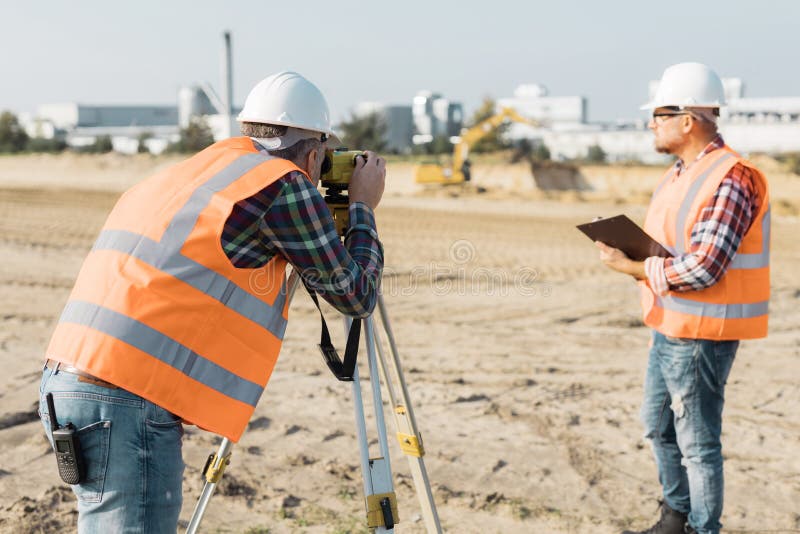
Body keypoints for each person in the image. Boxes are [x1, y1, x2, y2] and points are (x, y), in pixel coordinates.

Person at [38, 71, 386, 532]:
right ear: (315, 150)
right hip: (125, 402)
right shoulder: (282, 184)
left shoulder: (196, 171)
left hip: (68, 382)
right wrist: (361, 208)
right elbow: (355, 294)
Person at [595, 62, 770, 534]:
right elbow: (672, 247)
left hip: (702, 334)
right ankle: (676, 517)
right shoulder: (680, 173)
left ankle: (700, 528)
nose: (651, 123)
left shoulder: (731, 177)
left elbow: (704, 265)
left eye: (658, 114)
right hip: (669, 325)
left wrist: (631, 267)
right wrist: (633, 251)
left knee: (697, 443)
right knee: (657, 425)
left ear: (687, 119)